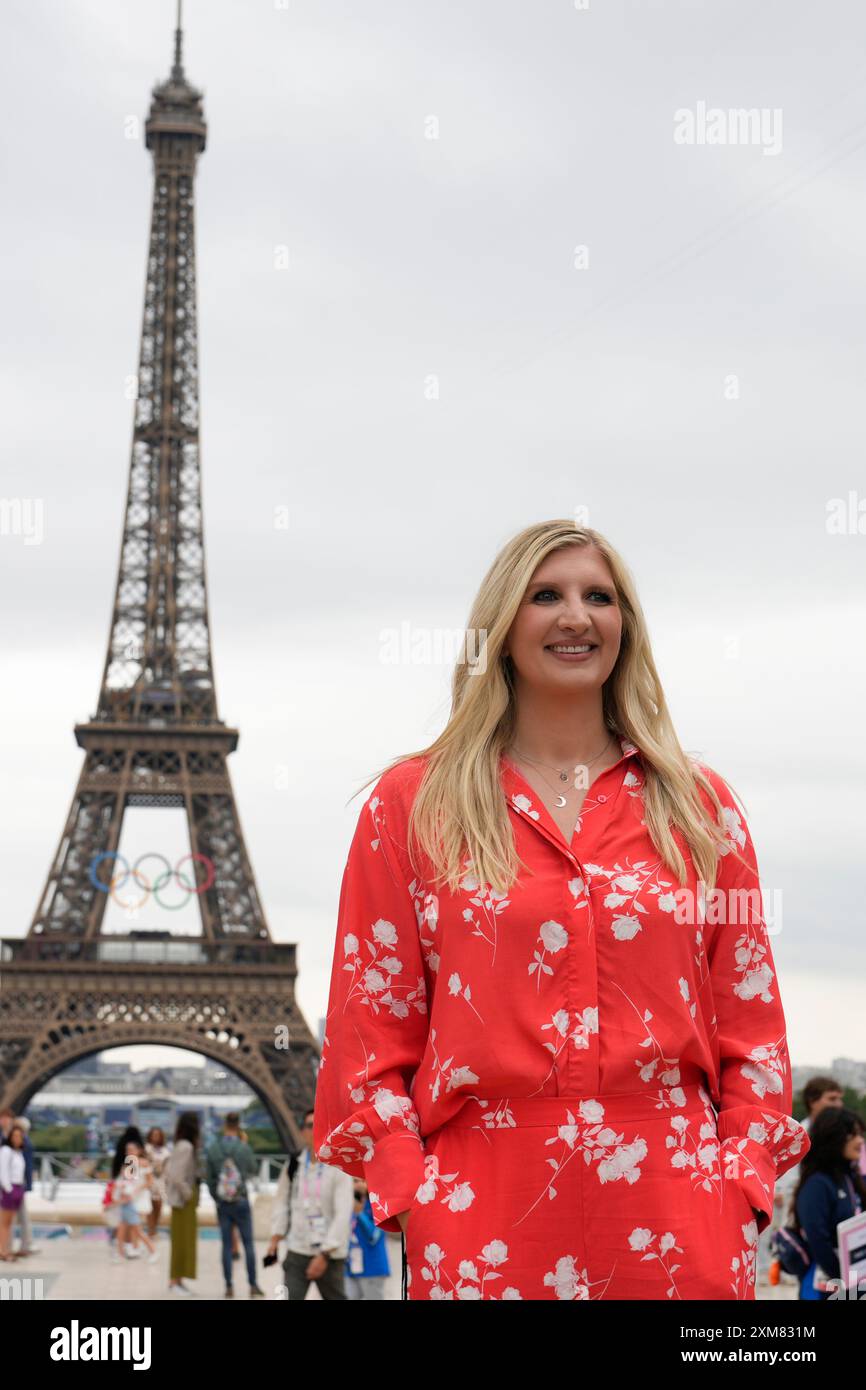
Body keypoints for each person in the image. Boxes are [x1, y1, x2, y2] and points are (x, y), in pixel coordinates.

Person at [313, 520, 812, 1301]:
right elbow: (369, 1023)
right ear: (502, 627)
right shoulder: (411, 806)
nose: (576, 616)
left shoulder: (700, 808)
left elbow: (750, 1022)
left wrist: (740, 1181)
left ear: (626, 628)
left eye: (599, 597)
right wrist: (413, 1193)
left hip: (678, 1215)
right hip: (481, 1217)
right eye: (546, 595)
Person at [266, 1108, 353, 1300]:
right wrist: (275, 1238)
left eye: (318, 1125)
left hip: (330, 1255)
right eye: (309, 1126)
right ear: (302, 1131)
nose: (313, 1130)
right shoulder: (294, 1165)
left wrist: (324, 1255)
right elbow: (282, 1201)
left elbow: (343, 1213)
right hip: (298, 1249)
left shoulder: (339, 1166)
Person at [792, 1106, 865, 1300]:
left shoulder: (850, 1177)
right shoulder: (818, 1183)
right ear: (833, 1138)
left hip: (854, 1282)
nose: (860, 1141)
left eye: (860, 1134)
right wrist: (845, 1280)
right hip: (827, 1287)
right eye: (853, 1135)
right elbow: (818, 1239)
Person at [205, 1112, 264, 1298]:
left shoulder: (214, 1148)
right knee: (248, 1244)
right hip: (241, 1200)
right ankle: (253, 1285)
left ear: (224, 1125)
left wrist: (218, 1197)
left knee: (226, 1245)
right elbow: (254, 1169)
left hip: (223, 1204)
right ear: (238, 1125)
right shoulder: (243, 1147)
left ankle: (229, 1286)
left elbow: (209, 1178)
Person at [165, 1112, 200, 1296]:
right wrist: (188, 1193)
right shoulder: (186, 1147)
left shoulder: (181, 1145)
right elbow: (177, 1175)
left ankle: (178, 1279)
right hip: (183, 1201)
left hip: (182, 1200)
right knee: (181, 1242)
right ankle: (174, 1280)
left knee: (182, 1241)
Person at [345, 1179, 390, 1300]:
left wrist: (359, 1214)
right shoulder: (347, 1202)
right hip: (351, 1266)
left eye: (362, 1181)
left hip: (372, 1267)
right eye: (354, 1181)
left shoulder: (379, 1204)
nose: (358, 1184)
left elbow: (374, 1235)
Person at [8, 1115, 38, 1258]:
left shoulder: (20, 1146)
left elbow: (23, 1167)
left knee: (12, 1217)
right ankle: (24, 1245)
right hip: (19, 1186)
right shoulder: (24, 1144)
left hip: (16, 1187)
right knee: (21, 1217)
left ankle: (12, 1246)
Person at [0, 1124, 27, 1261]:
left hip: (18, 1188)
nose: (17, 1139)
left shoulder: (18, 1152)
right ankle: (3, 1251)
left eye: (20, 1136)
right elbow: (3, 1172)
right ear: (10, 1137)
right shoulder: (6, 1151)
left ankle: (7, 1249)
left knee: (10, 1223)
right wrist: (9, 1190)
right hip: (10, 1189)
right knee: (5, 1223)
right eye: (15, 1136)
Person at [144, 1127, 170, 1241]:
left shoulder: (165, 1150)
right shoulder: (145, 1148)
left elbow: (168, 1166)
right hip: (148, 1180)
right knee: (149, 1207)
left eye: (157, 1135)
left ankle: (154, 1228)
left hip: (161, 1181)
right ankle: (151, 1232)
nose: (155, 1137)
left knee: (158, 1206)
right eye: (153, 1135)